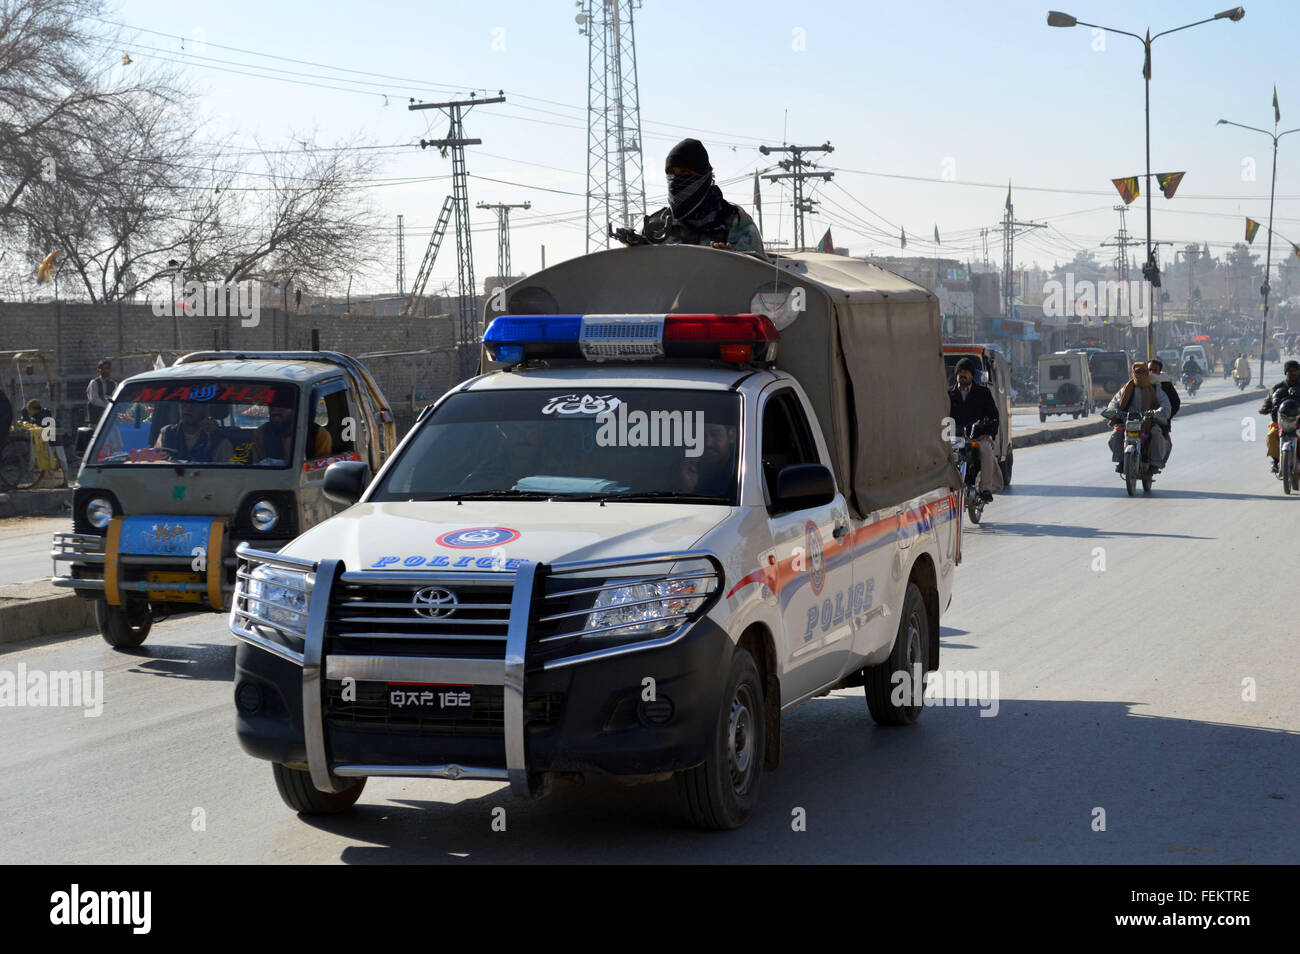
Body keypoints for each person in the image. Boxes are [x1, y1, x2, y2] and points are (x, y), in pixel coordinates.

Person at [633, 139, 764, 253]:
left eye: (685, 172)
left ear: (703, 177)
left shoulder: (735, 222)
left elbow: (757, 272)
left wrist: (731, 259)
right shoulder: (656, 224)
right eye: (672, 173)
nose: (677, 179)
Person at [948, 357, 1002, 502]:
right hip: (954, 439)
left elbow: (994, 417)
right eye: (960, 372)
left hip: (976, 439)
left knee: (985, 448)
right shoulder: (948, 395)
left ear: (972, 374)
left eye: (966, 371)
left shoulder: (983, 393)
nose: (963, 374)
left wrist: (988, 434)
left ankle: (985, 488)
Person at [1102, 362, 1171, 471]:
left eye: (1143, 372)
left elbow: (1165, 404)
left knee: (1156, 435)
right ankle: (1121, 460)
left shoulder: (1155, 389)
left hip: (1148, 421)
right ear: (1133, 373)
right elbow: (1114, 402)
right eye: (1137, 372)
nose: (1140, 374)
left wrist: (1157, 412)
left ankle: (1154, 463)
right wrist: (1113, 411)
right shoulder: (1126, 389)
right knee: (1116, 434)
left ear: (1147, 373)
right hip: (1128, 422)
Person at [154, 402, 233, 462]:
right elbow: (155, 466)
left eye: (193, 405)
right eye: (184, 404)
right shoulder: (167, 434)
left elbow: (229, 475)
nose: (187, 409)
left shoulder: (218, 439)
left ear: (205, 410)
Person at [1260, 359, 1300, 474]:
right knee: (1271, 435)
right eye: (1290, 371)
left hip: (1298, 421)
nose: (1293, 373)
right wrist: (1265, 408)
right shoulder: (1278, 387)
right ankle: (1276, 460)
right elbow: (1269, 400)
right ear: (1285, 373)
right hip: (1282, 421)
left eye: (1295, 371)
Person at [252, 405, 329, 463]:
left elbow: (321, 469)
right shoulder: (262, 432)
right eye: (272, 407)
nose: (275, 412)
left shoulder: (317, 433)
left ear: (296, 409)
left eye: (281, 407)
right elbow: (259, 466)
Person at [681, 422, 738, 498]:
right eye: (701, 436)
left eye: (715, 434)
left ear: (731, 436)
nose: (708, 443)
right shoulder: (688, 468)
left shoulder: (742, 472)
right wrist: (687, 488)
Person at [1146, 359, 1180, 455]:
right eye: (1150, 370)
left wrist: (1165, 416)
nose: (1152, 373)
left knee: (1165, 444)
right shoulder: (1137, 384)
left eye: (1155, 371)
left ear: (1160, 372)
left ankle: (1155, 464)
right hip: (1137, 421)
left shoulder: (1164, 385)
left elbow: (1174, 403)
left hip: (1157, 421)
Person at [85, 359, 116, 425]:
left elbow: (115, 399)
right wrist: (108, 404)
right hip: (95, 421)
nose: (106, 371)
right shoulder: (94, 383)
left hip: (109, 422)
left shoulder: (114, 384)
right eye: (103, 368)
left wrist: (104, 399)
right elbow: (94, 400)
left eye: (107, 368)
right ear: (99, 370)